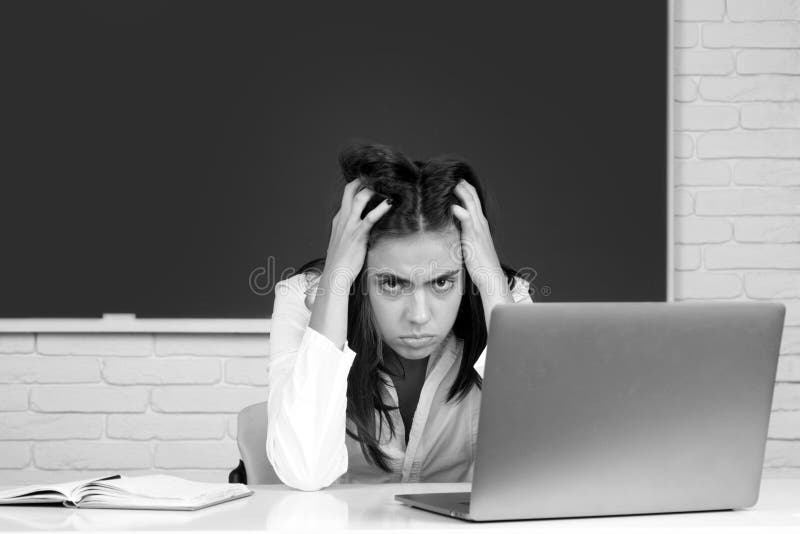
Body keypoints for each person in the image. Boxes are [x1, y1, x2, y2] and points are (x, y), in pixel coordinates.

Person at [266, 142, 534, 491]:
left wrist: (488, 278)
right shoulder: (303, 300)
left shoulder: (503, 300)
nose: (420, 316)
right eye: (392, 283)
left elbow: (540, 460)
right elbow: (304, 471)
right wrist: (337, 279)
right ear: (360, 271)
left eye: (442, 281)